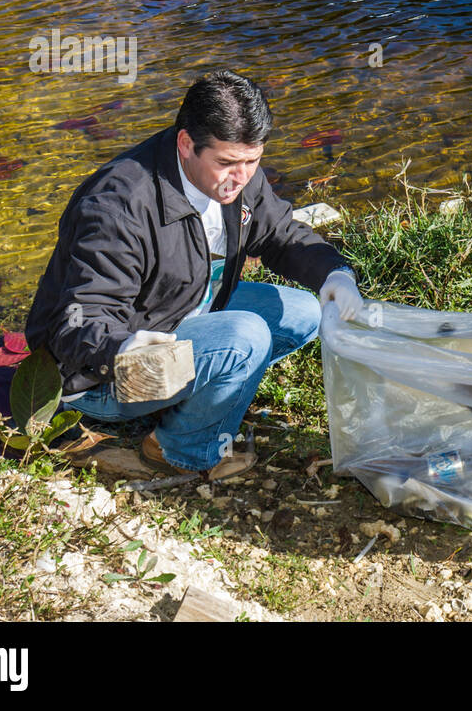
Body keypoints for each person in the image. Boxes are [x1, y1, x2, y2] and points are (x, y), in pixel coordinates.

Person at [24, 71, 364, 481]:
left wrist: (335, 273)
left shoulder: (237, 175)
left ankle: (196, 393)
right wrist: (124, 347)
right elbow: (74, 322)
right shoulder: (117, 207)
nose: (241, 178)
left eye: (252, 161)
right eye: (227, 163)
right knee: (246, 338)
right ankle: (180, 450)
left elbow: (279, 234)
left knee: (305, 311)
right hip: (101, 374)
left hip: (179, 314)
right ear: (186, 144)